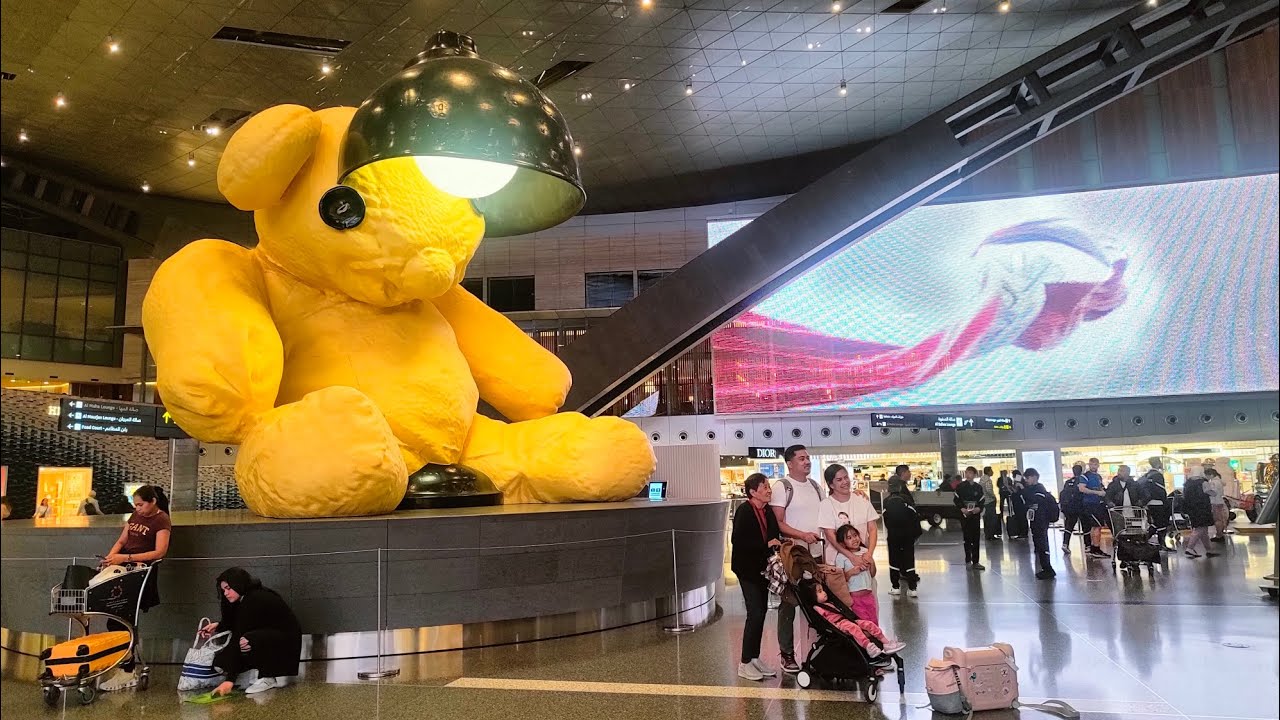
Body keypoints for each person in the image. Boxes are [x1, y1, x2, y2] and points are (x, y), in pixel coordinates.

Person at [98, 485, 171, 691]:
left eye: (141, 504)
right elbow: (122, 540)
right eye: (135, 505)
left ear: (153, 502)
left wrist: (126, 558)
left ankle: (127, 670)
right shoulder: (135, 516)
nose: (137, 508)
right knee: (114, 618)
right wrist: (110, 559)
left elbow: (159, 552)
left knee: (124, 619)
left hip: (140, 574)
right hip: (123, 569)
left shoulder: (161, 520)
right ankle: (124, 666)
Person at [769, 445, 824, 674]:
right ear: (790, 463)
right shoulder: (782, 487)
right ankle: (787, 653)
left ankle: (820, 648)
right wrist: (802, 536)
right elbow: (778, 523)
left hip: (817, 553)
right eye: (801, 459)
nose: (807, 461)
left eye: (808, 458)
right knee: (789, 603)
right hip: (793, 555)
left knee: (818, 599)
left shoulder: (815, 486)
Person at [208, 567, 303, 695]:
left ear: (239, 584)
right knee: (221, 663)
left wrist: (229, 680)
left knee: (247, 641)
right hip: (266, 635)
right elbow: (235, 622)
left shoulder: (254, 598)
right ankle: (251, 671)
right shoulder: (243, 597)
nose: (225, 593)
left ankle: (268, 677)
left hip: (285, 641)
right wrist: (218, 626)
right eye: (223, 589)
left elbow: (240, 633)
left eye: (228, 588)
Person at [730, 473, 782, 681]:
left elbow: (773, 534)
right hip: (747, 570)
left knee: (760, 614)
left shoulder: (767, 510)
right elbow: (738, 541)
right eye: (765, 487)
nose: (769, 490)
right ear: (753, 492)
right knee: (756, 612)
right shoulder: (745, 511)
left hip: (763, 568)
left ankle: (754, 658)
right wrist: (765, 545)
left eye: (768, 486)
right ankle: (744, 662)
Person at [796, 578, 905, 659]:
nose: (824, 593)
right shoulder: (818, 608)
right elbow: (824, 621)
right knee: (854, 628)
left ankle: (886, 643)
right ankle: (868, 646)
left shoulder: (830, 603)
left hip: (847, 620)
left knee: (869, 624)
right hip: (839, 624)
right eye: (819, 592)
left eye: (823, 590)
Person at [818, 463, 879, 565]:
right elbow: (831, 536)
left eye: (846, 477)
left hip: (863, 557)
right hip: (836, 562)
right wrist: (852, 557)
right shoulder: (826, 505)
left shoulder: (862, 500)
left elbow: (872, 529)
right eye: (839, 480)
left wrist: (869, 554)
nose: (845, 482)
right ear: (831, 485)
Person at [882, 467, 922, 597]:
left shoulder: (886, 502)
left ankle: (895, 587)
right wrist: (915, 533)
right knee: (909, 559)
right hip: (907, 535)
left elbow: (885, 519)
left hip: (893, 536)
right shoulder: (906, 500)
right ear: (900, 487)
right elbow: (914, 516)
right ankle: (913, 588)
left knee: (894, 560)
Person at [834, 525, 878, 624]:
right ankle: (867, 640)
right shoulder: (841, 557)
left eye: (855, 535)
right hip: (855, 599)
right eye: (849, 538)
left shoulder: (865, 551)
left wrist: (872, 562)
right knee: (864, 625)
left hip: (869, 596)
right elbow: (839, 580)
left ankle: (876, 639)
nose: (854, 539)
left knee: (874, 623)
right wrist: (851, 572)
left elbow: (872, 574)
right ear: (842, 543)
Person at [1022, 469, 1058, 580]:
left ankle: (1048, 568)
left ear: (1033, 477)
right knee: (1038, 541)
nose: (1027, 481)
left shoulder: (1039, 489)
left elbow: (1034, 499)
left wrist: (1024, 491)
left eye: (1027, 478)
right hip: (1035, 519)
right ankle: (1045, 567)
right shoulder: (1032, 489)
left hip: (1041, 519)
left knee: (1042, 542)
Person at [954, 466, 985, 570]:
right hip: (964, 514)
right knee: (967, 537)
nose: (968, 475)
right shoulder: (960, 486)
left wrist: (978, 508)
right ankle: (968, 559)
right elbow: (956, 499)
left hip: (975, 515)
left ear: (975, 475)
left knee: (976, 537)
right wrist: (962, 509)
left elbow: (982, 500)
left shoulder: (978, 487)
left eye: (970, 473)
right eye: (966, 473)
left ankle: (976, 561)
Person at [1181, 474, 1218, 559]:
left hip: (1192, 509)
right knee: (1200, 529)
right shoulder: (1203, 482)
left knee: (1203, 531)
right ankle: (1190, 548)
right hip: (1202, 508)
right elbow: (1211, 492)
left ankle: (1209, 550)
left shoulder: (1187, 484)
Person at [1079, 462, 1109, 559]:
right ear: (1089, 465)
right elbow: (1082, 489)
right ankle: (1095, 549)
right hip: (1090, 504)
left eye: (1095, 464)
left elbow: (1100, 487)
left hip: (1098, 504)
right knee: (1097, 526)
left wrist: (1103, 492)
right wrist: (1097, 493)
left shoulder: (1098, 476)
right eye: (1092, 464)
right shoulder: (1085, 476)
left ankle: (1094, 548)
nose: (1093, 466)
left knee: (1096, 526)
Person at [1140, 465, 1172, 551]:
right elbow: (1161, 492)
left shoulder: (1146, 476)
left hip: (1149, 503)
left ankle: (1143, 539)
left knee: (1156, 523)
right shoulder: (1157, 476)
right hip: (1158, 503)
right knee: (1161, 524)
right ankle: (1160, 544)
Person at [1059, 468, 1086, 553]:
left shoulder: (1068, 482)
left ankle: (1065, 544)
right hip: (1080, 506)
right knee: (1085, 526)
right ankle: (1087, 546)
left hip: (1069, 507)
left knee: (1069, 526)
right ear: (1081, 471)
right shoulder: (1082, 481)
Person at [1206, 468, 1229, 542]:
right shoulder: (1219, 481)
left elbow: (1214, 493)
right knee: (1221, 519)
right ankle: (1220, 534)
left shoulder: (1214, 482)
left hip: (1215, 502)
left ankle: (1219, 535)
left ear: (1211, 475)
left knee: (1217, 519)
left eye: (1207, 475)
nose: (1206, 477)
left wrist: (1206, 491)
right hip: (1219, 502)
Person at [1006, 471, 1028, 540]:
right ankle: (1022, 532)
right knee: (1021, 517)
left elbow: (1016, 490)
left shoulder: (1018, 480)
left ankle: (1023, 533)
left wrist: (1010, 487)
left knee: (1021, 517)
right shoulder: (1020, 480)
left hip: (1019, 502)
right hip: (1018, 501)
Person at [981, 466, 1002, 540]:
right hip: (989, 501)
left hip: (984, 501)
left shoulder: (982, 478)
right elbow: (989, 490)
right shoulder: (988, 480)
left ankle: (987, 534)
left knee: (986, 519)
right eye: (991, 470)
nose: (992, 472)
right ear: (988, 471)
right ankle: (991, 535)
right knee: (991, 518)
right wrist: (994, 497)